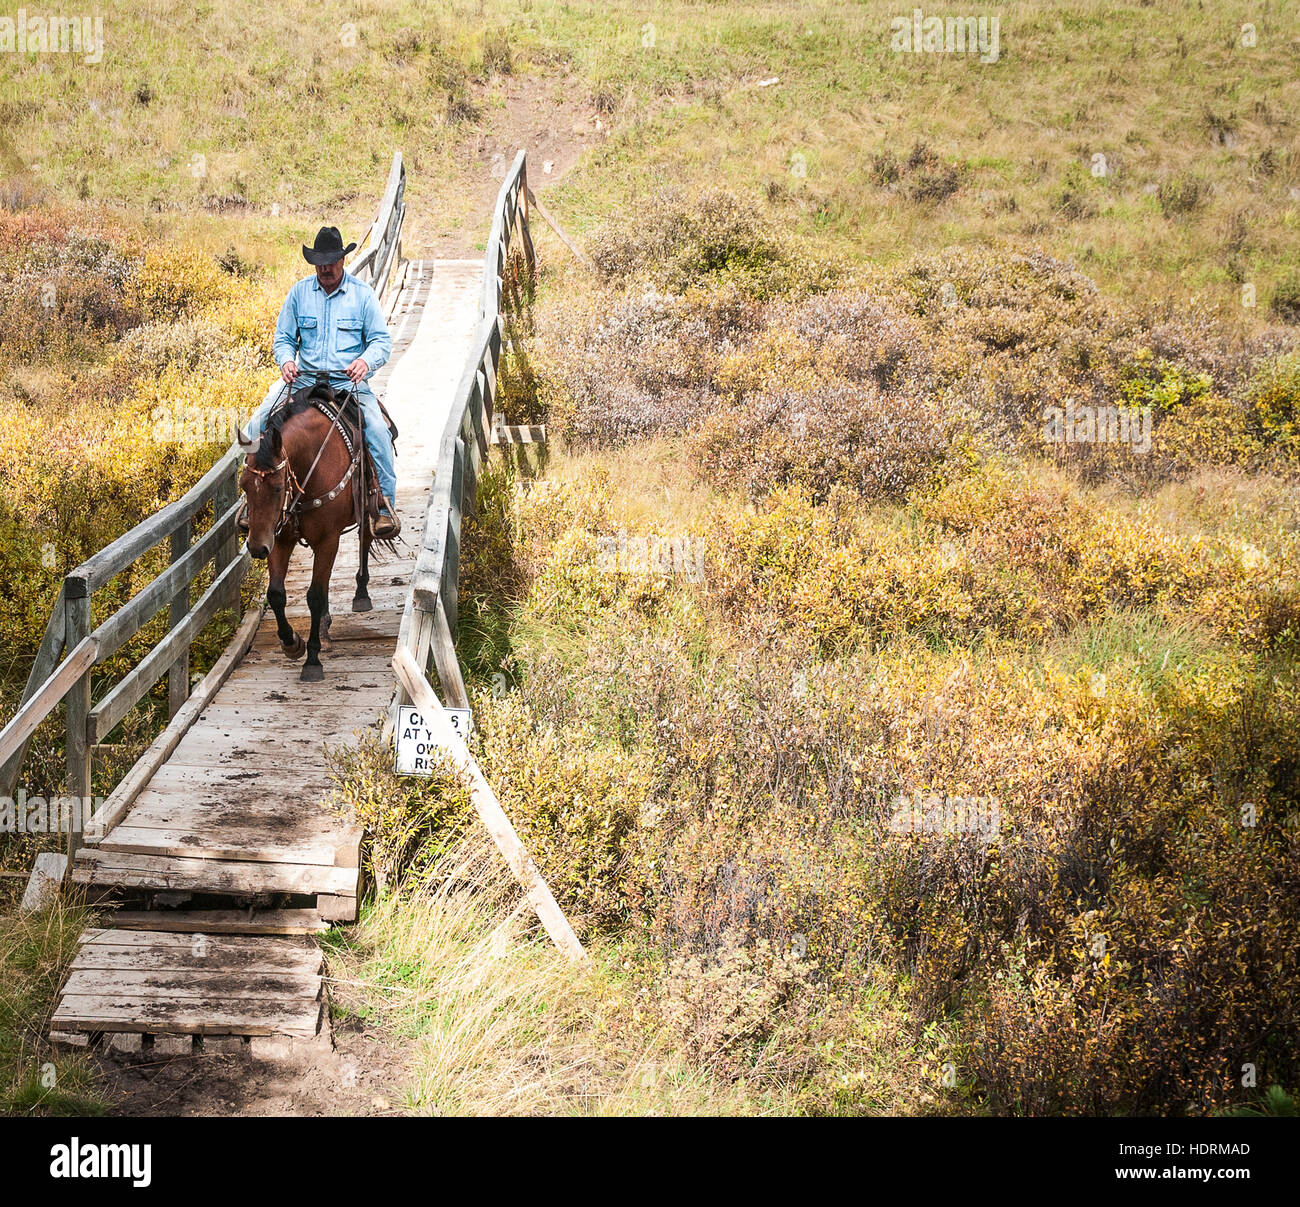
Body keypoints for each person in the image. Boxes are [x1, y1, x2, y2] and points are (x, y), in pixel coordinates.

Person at [242, 226, 400, 539]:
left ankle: (383, 507)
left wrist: (365, 362)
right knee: (253, 427)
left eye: (331, 261)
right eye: (320, 262)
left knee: (378, 432)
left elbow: (381, 341)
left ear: (342, 260)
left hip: (348, 382)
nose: (325, 268)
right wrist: (287, 360)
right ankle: (252, 504)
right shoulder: (299, 293)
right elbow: (284, 337)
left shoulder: (362, 295)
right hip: (305, 378)